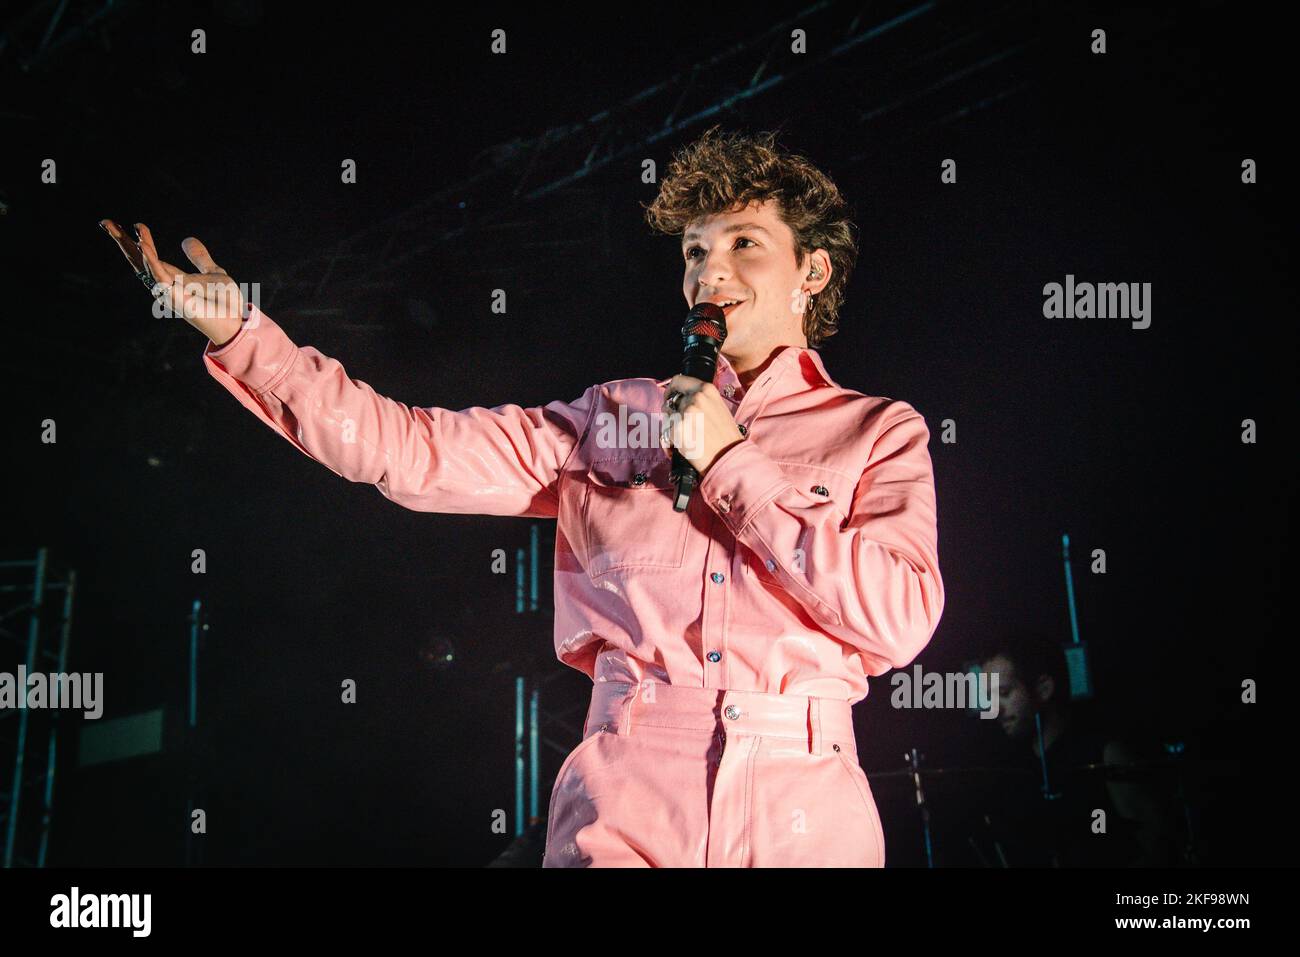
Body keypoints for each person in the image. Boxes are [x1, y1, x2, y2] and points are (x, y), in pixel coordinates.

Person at [100, 126, 945, 867]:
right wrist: (245, 337)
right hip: (631, 787)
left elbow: (901, 615)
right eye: (694, 250)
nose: (709, 270)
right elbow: (408, 450)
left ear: (813, 270)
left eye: (744, 244)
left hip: (805, 796)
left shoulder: (878, 429)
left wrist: (728, 461)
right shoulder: (616, 415)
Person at [976, 632, 1180, 866]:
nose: (994, 708)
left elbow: (1157, 845)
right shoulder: (1013, 769)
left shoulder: (1103, 754)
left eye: (1004, 693)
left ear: (1044, 688)